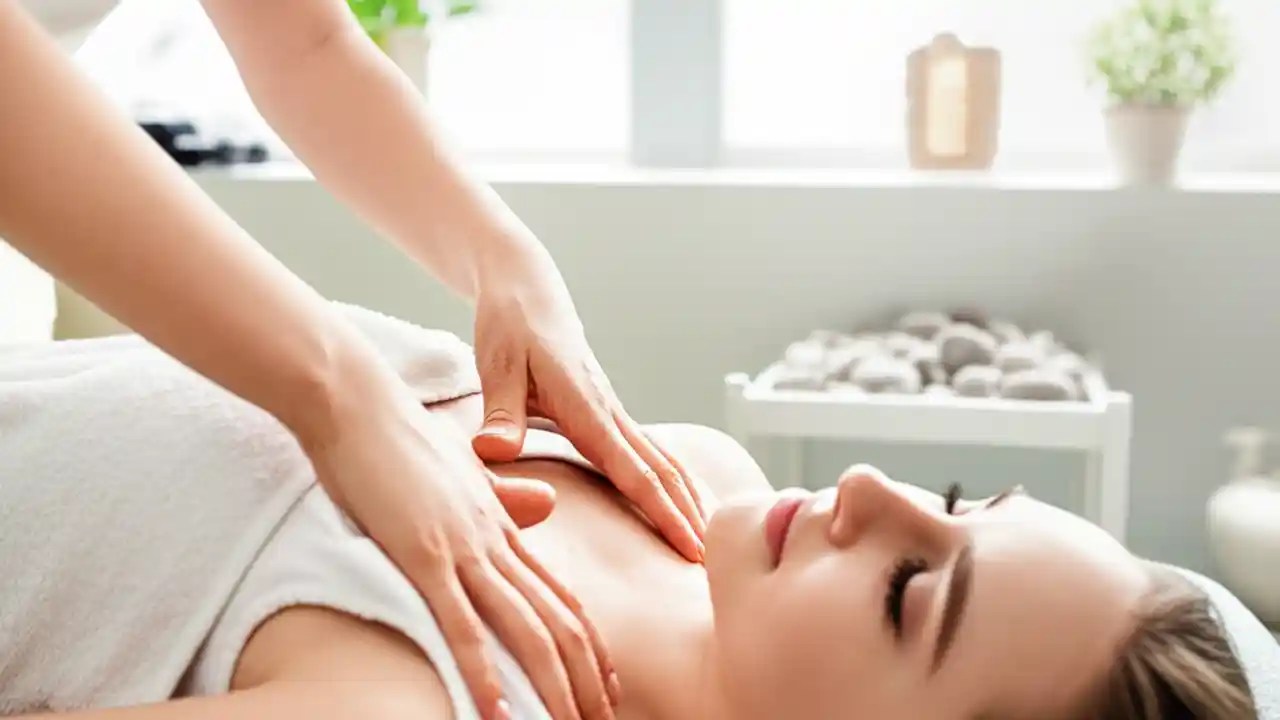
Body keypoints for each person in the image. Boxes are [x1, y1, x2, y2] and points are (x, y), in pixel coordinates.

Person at [0, 302, 1258, 720]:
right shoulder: (697, 482)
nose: (868, 492)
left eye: (908, 590)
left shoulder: (442, 692)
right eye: (951, 503)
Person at [0, 3, 708, 719]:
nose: (806, 504)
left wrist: (506, 265)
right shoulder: (711, 476)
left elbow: (307, 43)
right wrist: (343, 396)